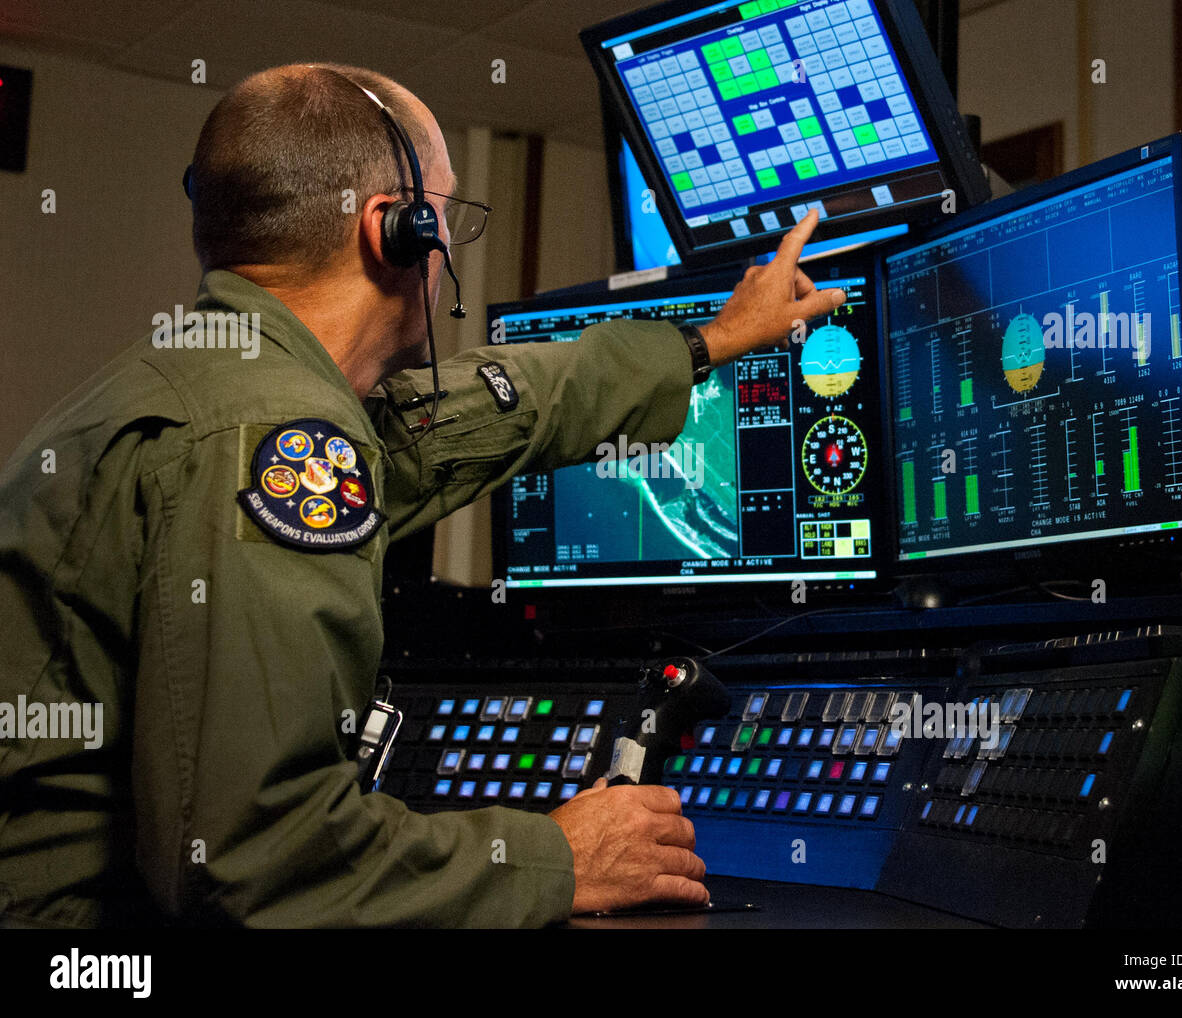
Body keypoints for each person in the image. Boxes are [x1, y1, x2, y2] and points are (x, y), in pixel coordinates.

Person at [0, 63, 845, 928]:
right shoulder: (269, 434)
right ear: (394, 231)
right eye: (443, 215)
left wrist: (707, 342)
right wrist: (558, 858)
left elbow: (483, 410)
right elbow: (259, 864)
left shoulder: (200, 386)